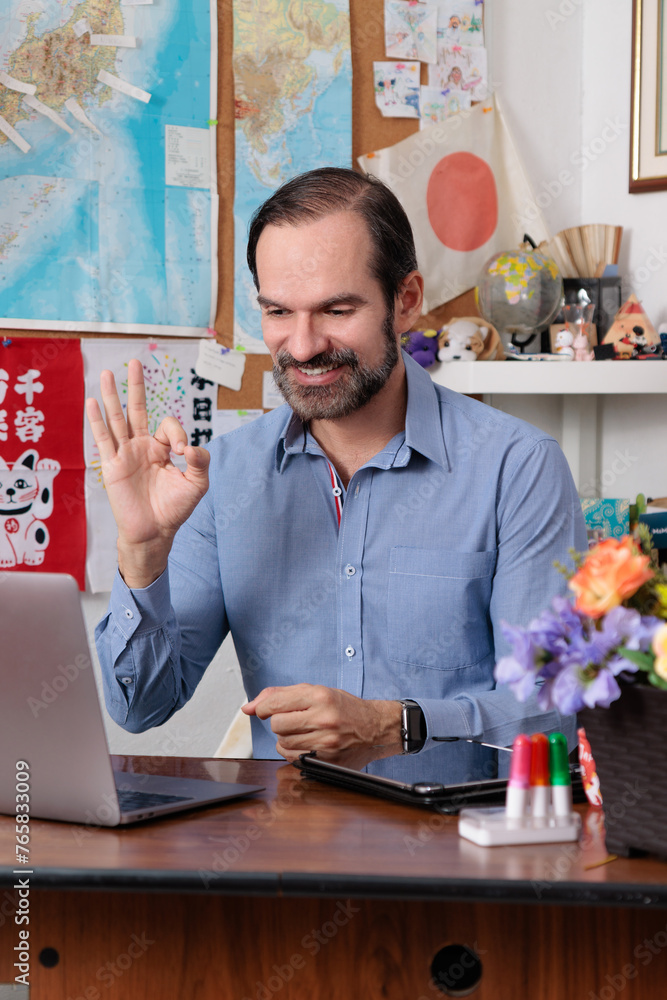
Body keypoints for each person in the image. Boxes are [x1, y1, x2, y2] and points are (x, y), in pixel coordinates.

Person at [88, 167, 587, 781]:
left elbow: (554, 713)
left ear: (406, 301)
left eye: (336, 309)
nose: (302, 346)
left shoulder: (518, 466)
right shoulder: (223, 475)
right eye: (278, 311)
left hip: (458, 838)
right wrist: (143, 553)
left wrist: (397, 726)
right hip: (281, 838)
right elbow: (140, 708)